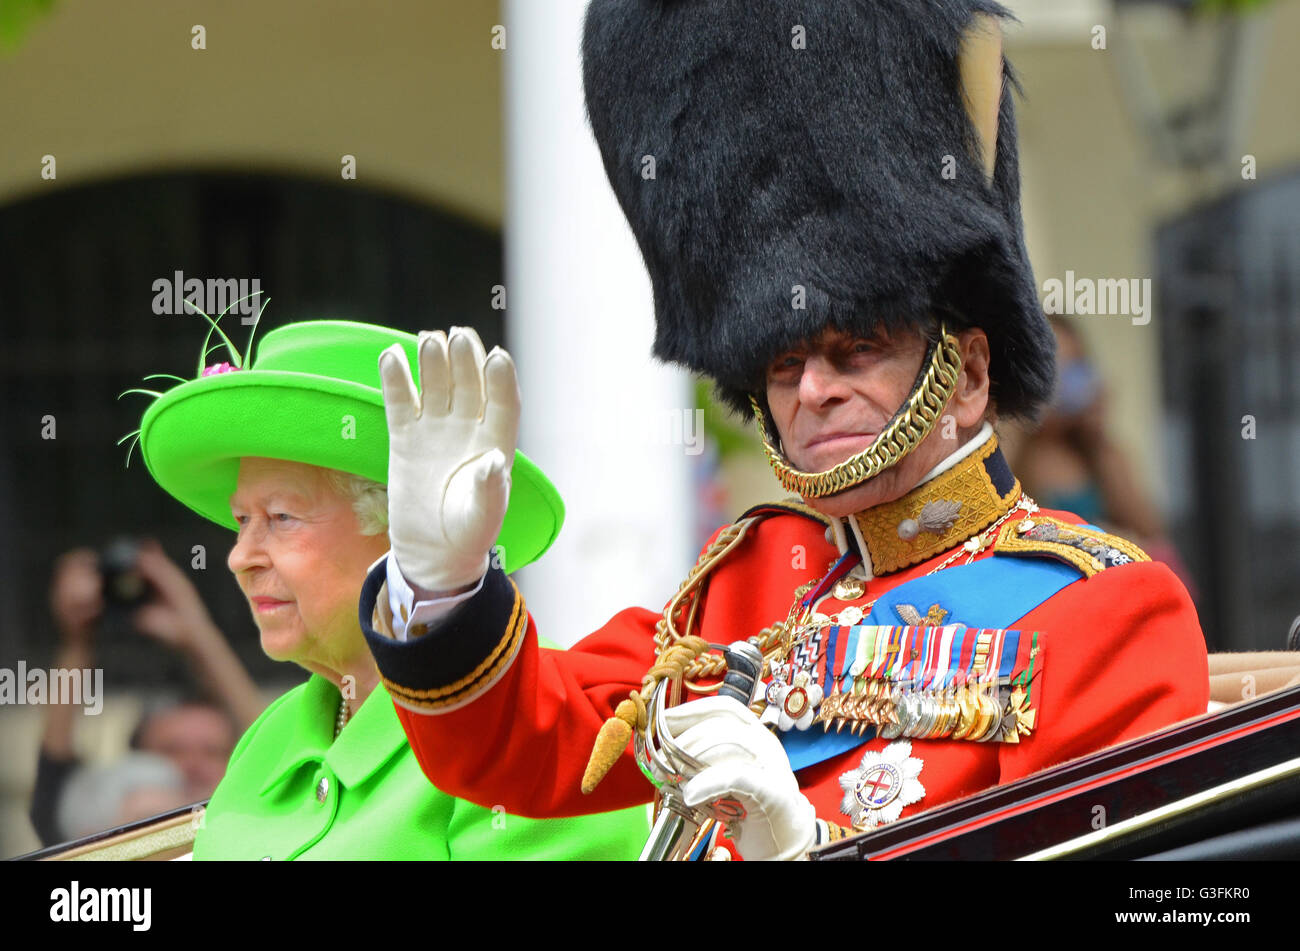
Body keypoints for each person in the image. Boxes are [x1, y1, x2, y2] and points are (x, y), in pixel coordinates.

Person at [359, 1, 1208, 859]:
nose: (814, 390)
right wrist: (442, 588)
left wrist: (811, 846)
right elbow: (534, 744)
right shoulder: (749, 585)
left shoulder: (1101, 610)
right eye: (782, 363)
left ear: (971, 374)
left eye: (859, 348)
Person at [132, 318, 649, 859]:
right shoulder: (268, 738)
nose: (241, 557)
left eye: (281, 517)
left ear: (408, 523)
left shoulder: (533, 724)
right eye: (242, 521)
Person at [31, 541, 255, 846]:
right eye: (172, 750)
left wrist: (198, 634)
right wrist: (77, 640)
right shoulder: (96, 848)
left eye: (213, 751)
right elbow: (52, 782)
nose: (194, 766)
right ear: (133, 764)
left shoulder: (257, 830)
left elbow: (273, 746)